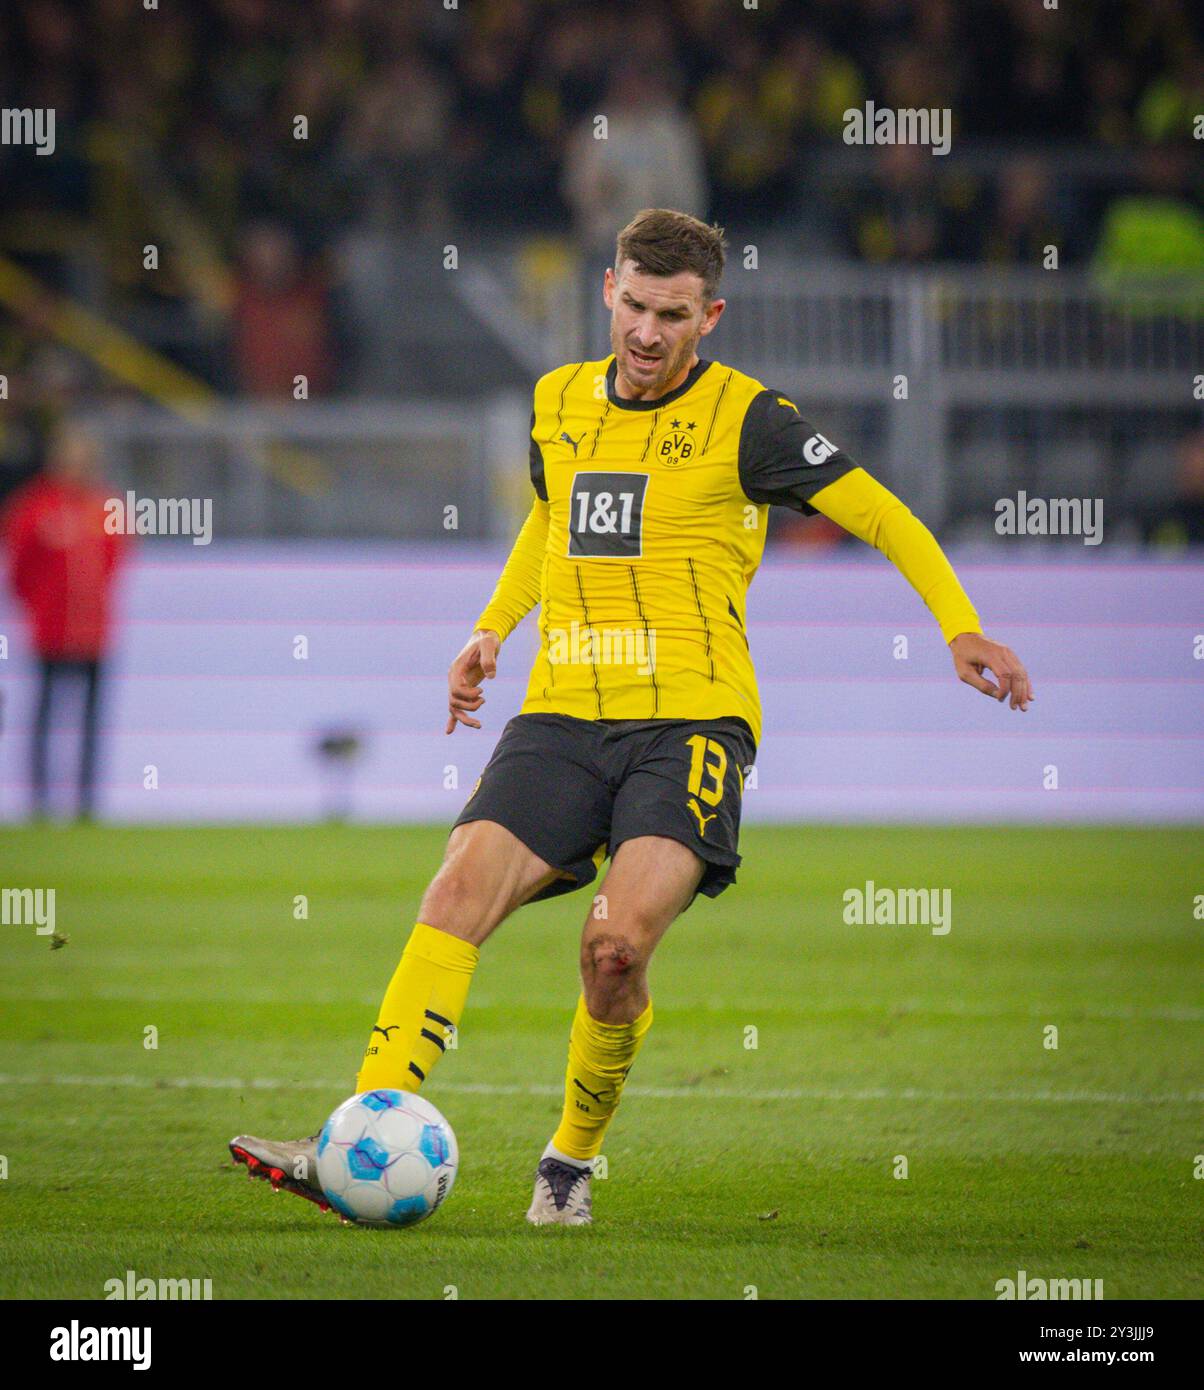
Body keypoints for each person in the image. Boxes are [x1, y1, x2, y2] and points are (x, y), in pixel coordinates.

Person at [231, 208, 1032, 1225]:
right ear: (608, 291)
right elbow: (548, 518)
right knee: (453, 893)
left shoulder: (753, 420)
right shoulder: (557, 400)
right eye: (637, 306)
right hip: (562, 710)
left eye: (675, 314)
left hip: (691, 723)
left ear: (710, 317)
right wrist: (490, 630)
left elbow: (880, 510)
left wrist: (958, 626)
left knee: (614, 949)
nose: (649, 333)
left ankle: (569, 1159)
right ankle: (352, 1133)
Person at [2, 420, 127, 819]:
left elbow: (115, 561)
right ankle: (40, 801)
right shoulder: (34, 507)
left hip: (94, 632)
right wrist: (38, 605)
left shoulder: (104, 506)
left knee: (91, 720)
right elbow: (19, 566)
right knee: (45, 715)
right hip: (51, 630)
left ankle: (85, 803)